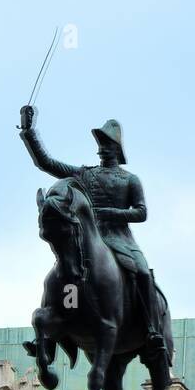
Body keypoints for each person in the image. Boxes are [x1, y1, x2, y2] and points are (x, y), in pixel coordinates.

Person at [19, 104, 165, 351]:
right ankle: (46, 336)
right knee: (60, 275)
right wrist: (28, 130)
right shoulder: (85, 174)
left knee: (141, 273)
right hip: (87, 241)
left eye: (107, 144)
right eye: (101, 143)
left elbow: (141, 212)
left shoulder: (130, 180)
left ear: (117, 150)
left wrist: (109, 213)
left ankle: (151, 329)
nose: (102, 148)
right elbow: (45, 162)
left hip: (119, 239)